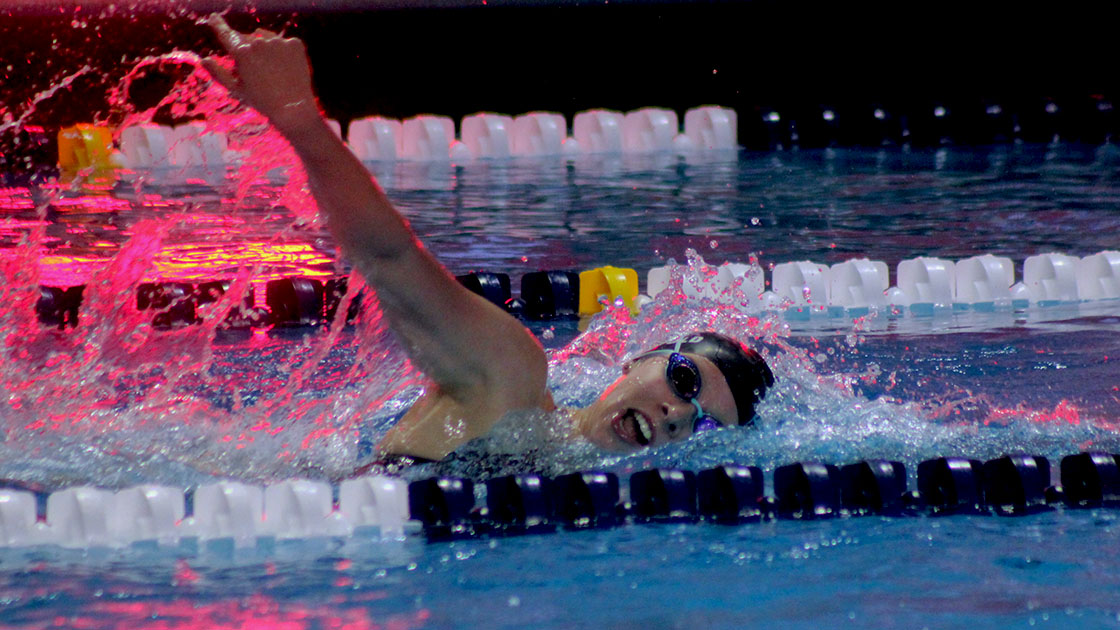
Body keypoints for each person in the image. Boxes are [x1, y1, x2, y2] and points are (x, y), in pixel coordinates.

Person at [203, 16, 774, 470]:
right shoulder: (508, 379)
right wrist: (300, 119)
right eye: (683, 380)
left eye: (701, 425)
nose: (676, 415)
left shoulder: (560, 476)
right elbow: (390, 259)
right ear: (638, 360)